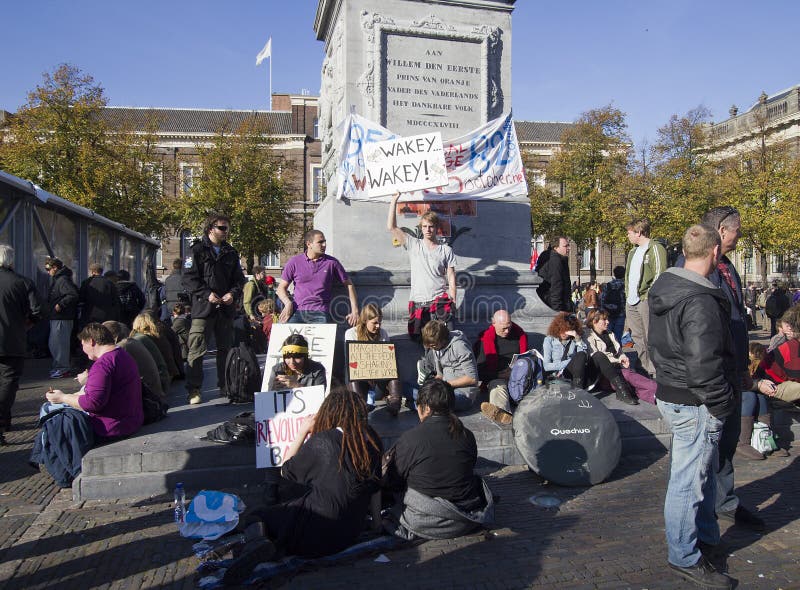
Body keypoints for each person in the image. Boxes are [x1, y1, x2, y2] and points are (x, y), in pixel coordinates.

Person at [648, 224, 736, 589]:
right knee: (688, 482)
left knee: (694, 476)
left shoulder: (665, 286)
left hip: (675, 391)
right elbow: (703, 365)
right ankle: (684, 555)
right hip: (696, 400)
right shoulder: (699, 299)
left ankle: (705, 541)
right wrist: (722, 402)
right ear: (715, 252)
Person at [223, 387, 382, 585]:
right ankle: (263, 544)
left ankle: (256, 546)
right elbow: (376, 489)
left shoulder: (324, 442)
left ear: (330, 412)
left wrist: (303, 431)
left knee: (258, 515)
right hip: (350, 530)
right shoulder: (372, 440)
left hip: (317, 534)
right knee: (294, 507)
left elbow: (286, 470)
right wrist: (376, 523)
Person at [694, 206, 763, 530]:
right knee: (709, 445)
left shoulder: (727, 266)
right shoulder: (699, 268)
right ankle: (703, 516)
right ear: (723, 231)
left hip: (734, 369)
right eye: (737, 229)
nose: (740, 234)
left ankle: (725, 503)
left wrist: (743, 369)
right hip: (715, 373)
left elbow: (736, 319)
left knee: (728, 441)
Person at [383, 380, 494, 541]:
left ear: (426, 407)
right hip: (467, 517)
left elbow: (394, 480)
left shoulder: (411, 438)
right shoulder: (467, 435)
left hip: (426, 521)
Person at [182, 213, 246, 405]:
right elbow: (189, 278)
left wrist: (232, 294)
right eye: (222, 228)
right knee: (197, 348)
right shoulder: (196, 250)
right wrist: (205, 293)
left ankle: (225, 386)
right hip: (204, 308)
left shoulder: (231, 252)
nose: (226, 231)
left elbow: (239, 279)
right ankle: (194, 389)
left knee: (225, 349)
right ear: (211, 229)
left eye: (227, 228)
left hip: (225, 309)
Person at [45, 323, 143, 440]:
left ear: (91, 341)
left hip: (110, 427)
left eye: (82, 345)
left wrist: (62, 398)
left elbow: (92, 403)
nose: (83, 350)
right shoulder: (122, 355)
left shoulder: (102, 364)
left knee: (48, 410)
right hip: (131, 421)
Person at [388, 192, 457, 340]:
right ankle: (427, 363)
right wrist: (394, 201)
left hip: (440, 302)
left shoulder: (446, 250)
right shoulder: (413, 244)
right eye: (424, 226)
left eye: (431, 226)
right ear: (421, 228)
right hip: (419, 303)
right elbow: (392, 227)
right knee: (420, 340)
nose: (427, 230)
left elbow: (451, 276)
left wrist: (453, 299)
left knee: (448, 338)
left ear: (436, 227)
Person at [0, 245, 41, 444]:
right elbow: (37, 311)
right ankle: (2, 419)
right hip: (12, 340)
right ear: (11, 261)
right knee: (8, 381)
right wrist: (25, 325)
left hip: (12, 338)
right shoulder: (22, 283)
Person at [277, 230, 358, 326]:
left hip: (320, 313)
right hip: (296, 311)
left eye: (325, 242)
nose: (324, 245)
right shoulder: (294, 262)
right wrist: (288, 303)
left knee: (323, 340)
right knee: (287, 338)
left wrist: (355, 311)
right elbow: (280, 288)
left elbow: (349, 284)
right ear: (309, 244)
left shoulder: (332, 263)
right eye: (320, 242)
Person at [624, 219, 667, 377]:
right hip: (632, 300)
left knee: (650, 336)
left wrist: (648, 295)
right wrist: (628, 294)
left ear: (639, 232)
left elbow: (659, 274)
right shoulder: (632, 252)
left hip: (645, 299)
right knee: (637, 337)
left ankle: (656, 370)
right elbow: (629, 276)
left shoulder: (655, 248)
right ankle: (644, 366)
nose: (627, 236)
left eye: (629, 233)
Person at [344, 304, 403, 415]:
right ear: (365, 321)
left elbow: (386, 360)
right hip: (360, 380)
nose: (378, 326)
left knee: (393, 365)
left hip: (378, 379)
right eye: (374, 323)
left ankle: (395, 402)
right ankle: (358, 405)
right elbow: (352, 358)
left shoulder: (383, 333)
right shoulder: (351, 333)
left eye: (380, 323)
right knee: (350, 367)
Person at [475, 310, 529, 425]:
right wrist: (500, 375)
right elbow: (479, 372)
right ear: (493, 323)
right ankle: (502, 413)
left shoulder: (520, 336)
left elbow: (526, 357)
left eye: (509, 326)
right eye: (503, 328)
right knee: (498, 387)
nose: (507, 331)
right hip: (498, 376)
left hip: (519, 375)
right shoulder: (484, 341)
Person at [583, 310, 644, 405]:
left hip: (617, 368)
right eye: (604, 319)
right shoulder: (588, 335)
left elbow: (619, 351)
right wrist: (618, 360)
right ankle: (656, 393)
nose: (608, 322)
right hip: (603, 373)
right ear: (594, 321)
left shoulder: (610, 333)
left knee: (634, 382)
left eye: (607, 319)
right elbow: (595, 355)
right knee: (631, 377)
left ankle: (654, 395)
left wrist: (623, 357)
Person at [418, 320, 479, 412]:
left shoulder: (460, 346)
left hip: (463, 394)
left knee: (433, 403)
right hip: (444, 390)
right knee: (408, 388)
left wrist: (444, 385)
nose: (432, 348)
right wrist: (432, 386)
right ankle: (421, 403)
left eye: (433, 346)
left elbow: (472, 378)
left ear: (443, 340)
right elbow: (440, 375)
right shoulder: (436, 347)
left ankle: (417, 404)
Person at [102, 320, 166, 402]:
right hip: (155, 392)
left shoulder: (122, 347)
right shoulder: (130, 341)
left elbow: (108, 373)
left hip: (150, 398)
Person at [44, 257, 79, 379]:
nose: (47, 272)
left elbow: (73, 294)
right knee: (55, 343)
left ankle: (62, 368)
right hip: (58, 317)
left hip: (62, 317)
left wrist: (61, 304)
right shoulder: (60, 279)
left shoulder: (62, 280)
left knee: (59, 344)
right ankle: (60, 367)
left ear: (55, 267)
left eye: (48, 269)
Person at [541, 312, 588, 385]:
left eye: (567, 330)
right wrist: (570, 361)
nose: (563, 333)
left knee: (581, 354)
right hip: (556, 375)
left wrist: (577, 338)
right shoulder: (549, 340)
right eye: (561, 329)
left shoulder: (574, 340)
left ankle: (578, 388)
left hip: (571, 373)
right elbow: (546, 366)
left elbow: (583, 356)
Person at [536, 236, 572, 312]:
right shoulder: (556, 260)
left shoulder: (553, 258)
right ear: (555, 248)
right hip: (556, 306)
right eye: (565, 246)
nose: (569, 248)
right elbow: (556, 285)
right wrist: (557, 310)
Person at [601, 266, 626, 341]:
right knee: (618, 336)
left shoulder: (608, 285)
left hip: (608, 314)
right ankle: (618, 351)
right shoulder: (625, 285)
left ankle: (609, 351)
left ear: (614, 274)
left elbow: (602, 299)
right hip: (620, 314)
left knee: (608, 336)